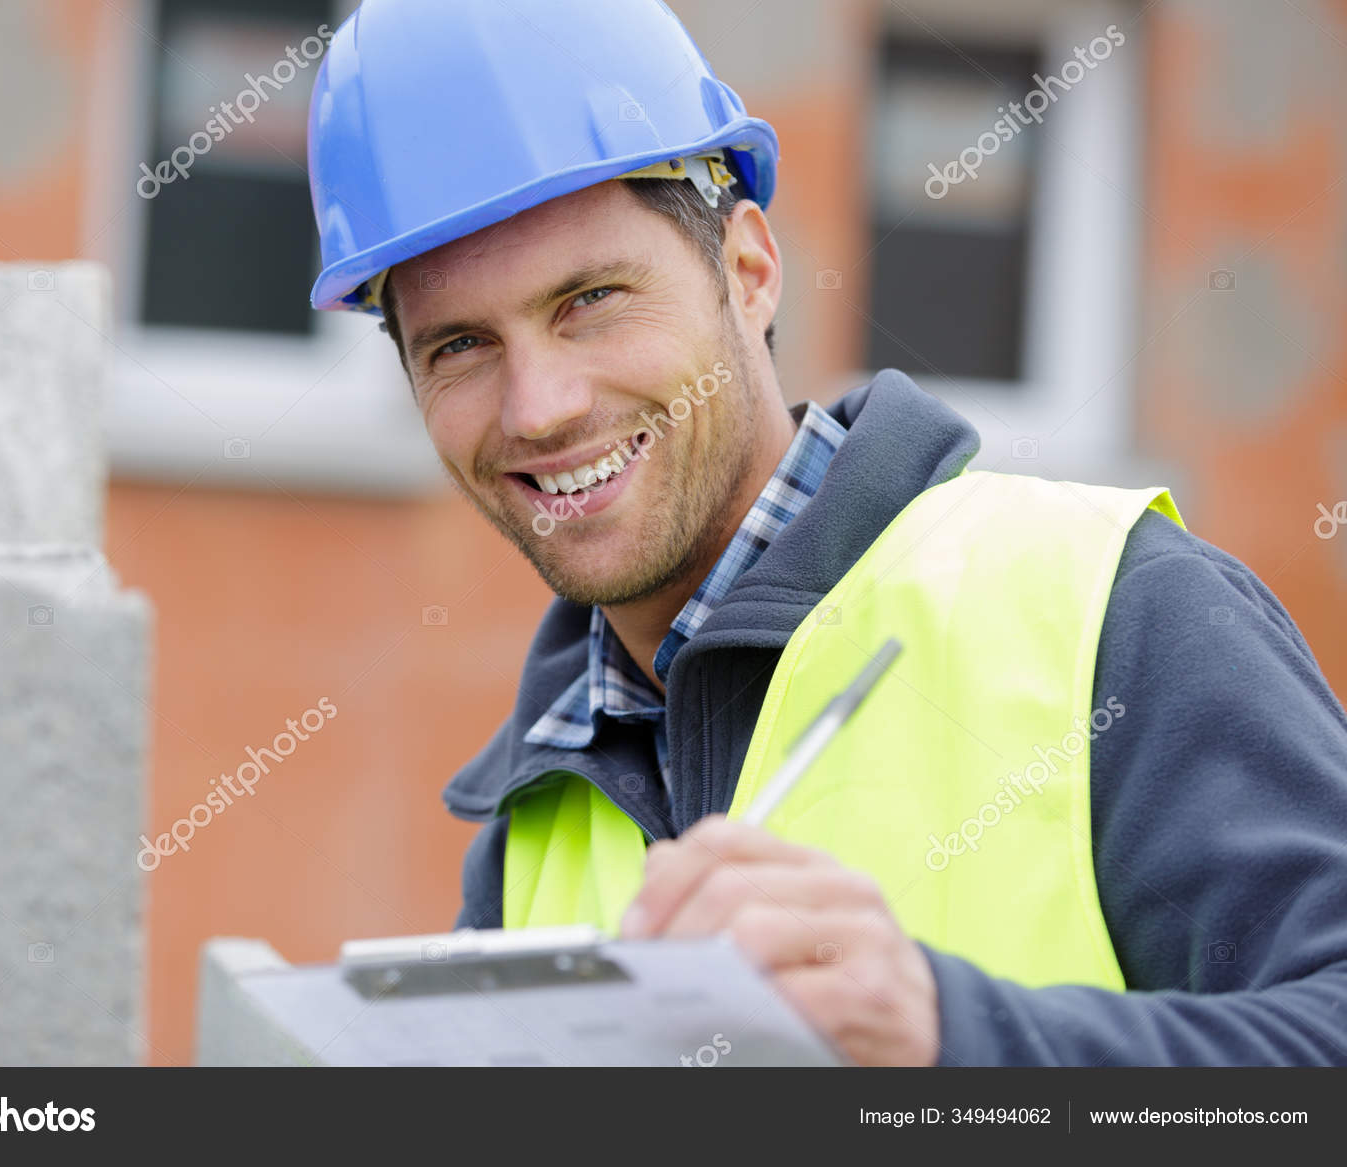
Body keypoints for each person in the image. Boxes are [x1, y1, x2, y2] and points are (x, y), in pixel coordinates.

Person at [305, 0, 1347, 1065]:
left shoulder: (1112, 612)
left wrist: (947, 1032)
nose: (539, 408)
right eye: (460, 346)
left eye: (591, 299)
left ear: (749, 272)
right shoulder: (534, 818)